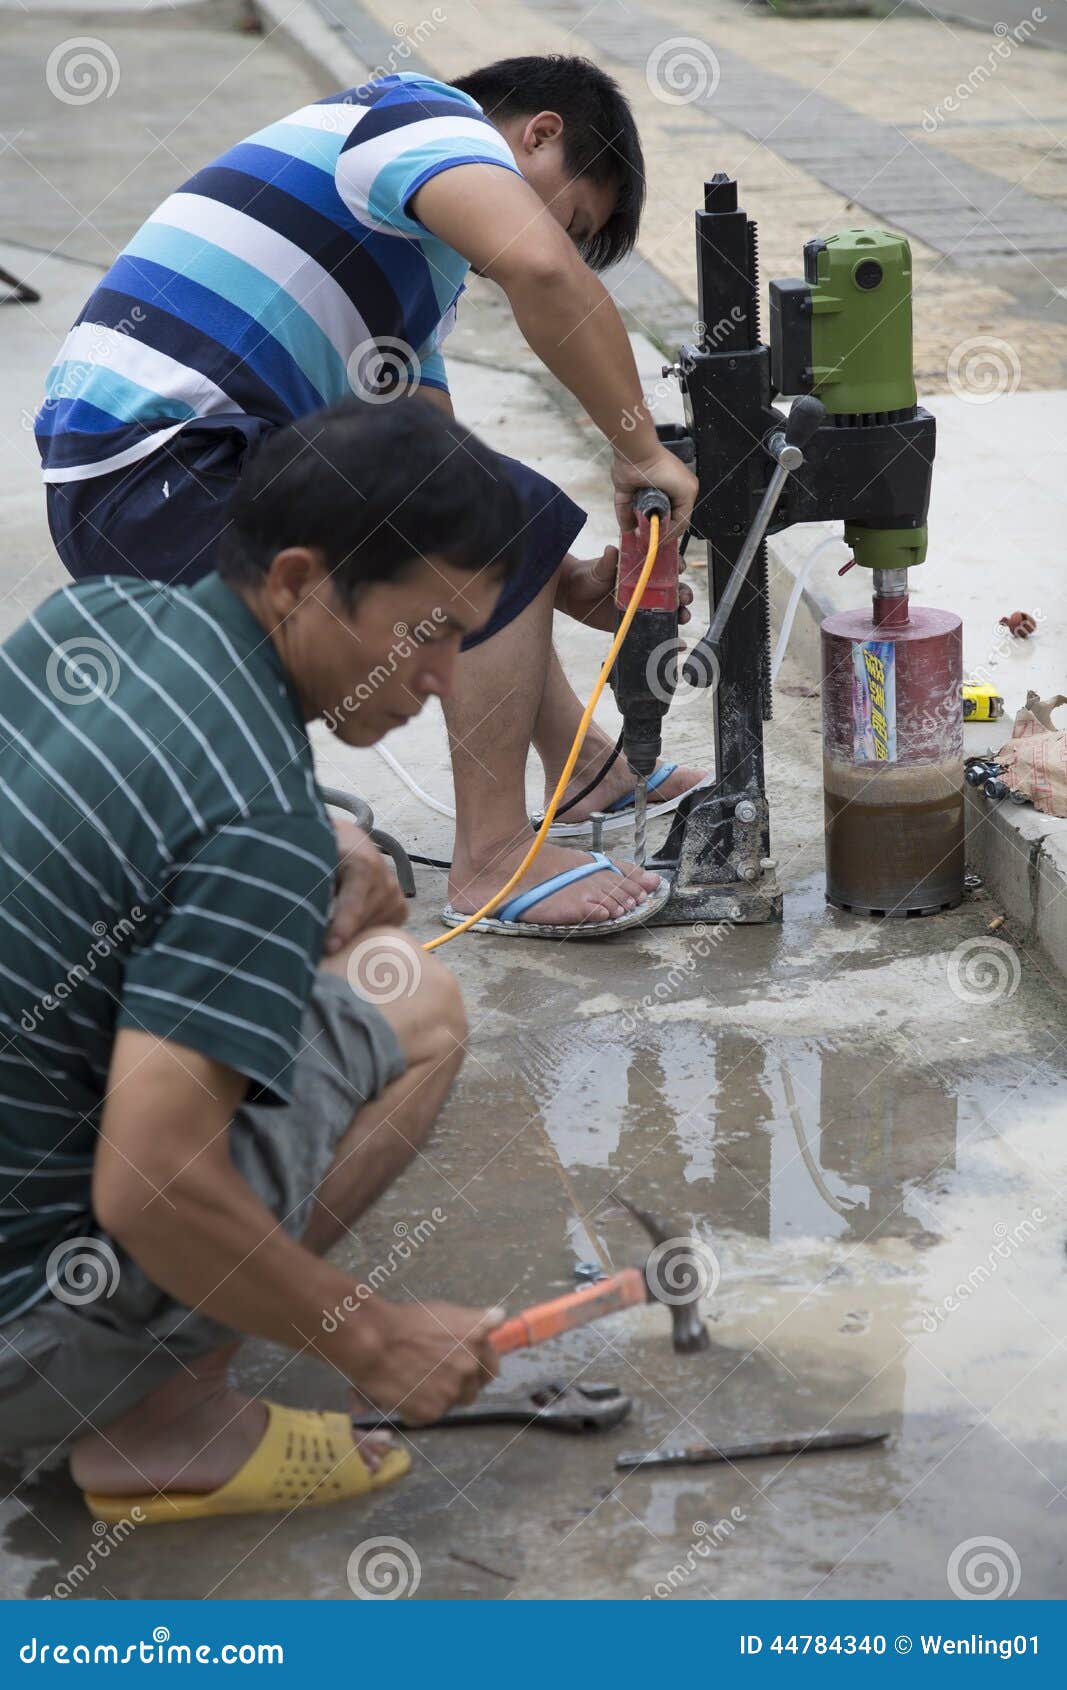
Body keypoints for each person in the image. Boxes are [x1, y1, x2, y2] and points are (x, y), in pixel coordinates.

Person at [36, 55, 703, 938]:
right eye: (571, 214)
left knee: (486, 526)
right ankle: (495, 858)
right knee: (500, 523)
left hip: (151, 480)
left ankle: (584, 769)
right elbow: (543, 271)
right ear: (539, 134)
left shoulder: (410, 276)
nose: (558, 241)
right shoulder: (420, 115)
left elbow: (438, 471)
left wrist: (562, 572)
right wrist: (641, 451)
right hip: (163, 472)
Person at [0, 401, 525, 1523]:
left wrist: (318, 833)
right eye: (424, 629)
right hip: (20, 1334)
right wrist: (372, 1336)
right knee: (413, 996)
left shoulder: (95, 619)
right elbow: (149, 1182)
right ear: (296, 580)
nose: (440, 676)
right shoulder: (251, 825)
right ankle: (165, 1418)